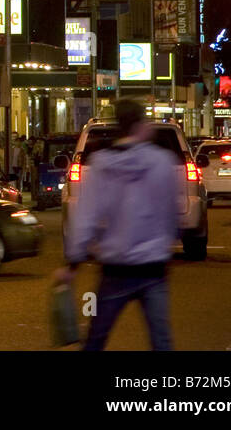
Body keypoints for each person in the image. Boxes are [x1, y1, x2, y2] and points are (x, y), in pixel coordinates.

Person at [57, 99, 181, 351]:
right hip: (153, 265)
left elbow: (87, 216)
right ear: (139, 125)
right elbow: (170, 210)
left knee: (96, 338)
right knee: (161, 340)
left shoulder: (102, 164)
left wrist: (73, 262)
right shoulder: (162, 162)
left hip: (116, 265)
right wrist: (167, 242)